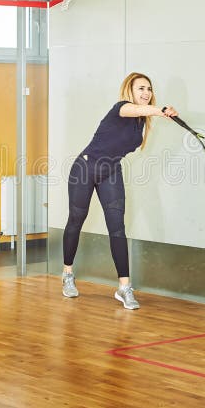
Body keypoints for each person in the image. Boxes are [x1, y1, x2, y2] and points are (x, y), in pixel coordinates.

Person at [61, 72, 178, 309]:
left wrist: (156, 113)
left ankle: (124, 288)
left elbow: (140, 117)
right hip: (84, 168)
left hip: (111, 172)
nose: (146, 93)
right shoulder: (121, 108)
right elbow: (134, 110)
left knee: (117, 228)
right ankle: (67, 274)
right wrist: (160, 109)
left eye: (149, 89)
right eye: (141, 89)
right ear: (130, 92)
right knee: (76, 220)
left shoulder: (141, 127)